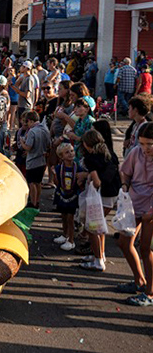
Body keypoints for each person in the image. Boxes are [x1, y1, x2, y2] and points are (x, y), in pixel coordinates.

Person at [119, 122, 153, 305]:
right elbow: (125, 172)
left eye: (149, 144)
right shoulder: (135, 153)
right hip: (133, 204)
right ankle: (139, 280)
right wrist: (125, 185)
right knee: (124, 243)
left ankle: (150, 293)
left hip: (151, 210)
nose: (145, 148)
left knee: (146, 249)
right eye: (142, 143)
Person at [79, 129, 120, 271]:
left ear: (86, 144)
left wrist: (88, 177)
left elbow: (97, 182)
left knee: (93, 228)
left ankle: (98, 260)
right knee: (100, 227)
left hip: (101, 196)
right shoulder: (109, 153)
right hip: (114, 193)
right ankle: (101, 254)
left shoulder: (91, 158)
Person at [52, 143, 82, 251]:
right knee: (64, 216)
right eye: (67, 152)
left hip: (73, 196)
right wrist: (54, 175)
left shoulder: (77, 166)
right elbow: (57, 183)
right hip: (62, 195)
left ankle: (71, 240)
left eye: (71, 151)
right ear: (61, 156)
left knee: (70, 218)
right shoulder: (59, 168)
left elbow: (81, 182)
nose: (70, 154)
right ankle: (65, 235)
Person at [20, 110, 50, 209]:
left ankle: (33, 202)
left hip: (32, 160)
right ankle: (37, 200)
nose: (27, 125)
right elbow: (49, 144)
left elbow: (28, 147)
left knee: (32, 183)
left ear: (31, 121)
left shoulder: (33, 131)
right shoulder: (45, 129)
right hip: (42, 160)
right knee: (38, 182)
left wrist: (22, 143)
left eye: (27, 122)